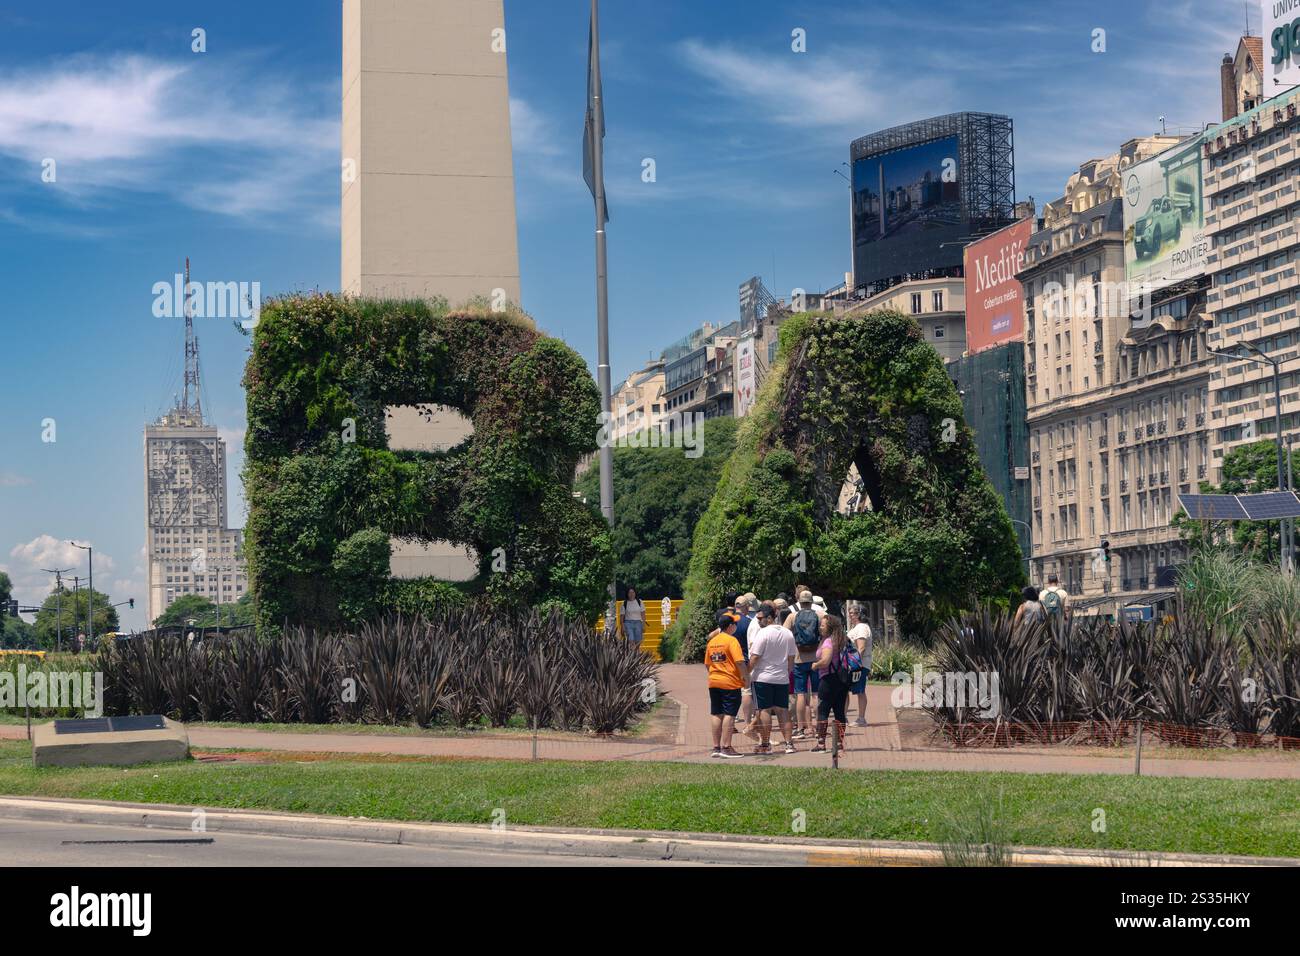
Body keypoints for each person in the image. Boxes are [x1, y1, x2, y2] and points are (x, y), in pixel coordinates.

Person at [746, 602, 798, 754]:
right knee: (783, 711)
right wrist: (786, 672)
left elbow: (755, 658)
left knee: (764, 711)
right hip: (781, 678)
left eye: (760, 618)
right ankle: (789, 744)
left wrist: (746, 673)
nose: (758, 621)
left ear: (769, 618)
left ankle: (765, 744)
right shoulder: (787, 633)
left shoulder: (763, 633)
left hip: (762, 678)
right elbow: (791, 658)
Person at [705, 612, 749, 758]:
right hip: (730, 682)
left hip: (714, 681)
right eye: (734, 624)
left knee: (716, 713)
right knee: (730, 714)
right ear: (730, 626)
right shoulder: (732, 641)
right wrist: (745, 677)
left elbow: (707, 664)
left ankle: (716, 747)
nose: (736, 626)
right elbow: (739, 661)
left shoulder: (712, 642)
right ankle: (726, 747)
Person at [812, 613, 857, 753]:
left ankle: (821, 744)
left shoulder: (828, 642)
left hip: (828, 679)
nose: (820, 627)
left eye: (823, 625)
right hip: (842, 679)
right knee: (839, 712)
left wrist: (815, 665)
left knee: (823, 711)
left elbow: (826, 661)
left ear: (830, 627)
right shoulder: (842, 640)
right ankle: (838, 743)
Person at [783, 589, 822, 739]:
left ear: (799, 601)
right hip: (816, 659)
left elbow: (785, 634)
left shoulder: (792, 616)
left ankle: (800, 728)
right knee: (816, 694)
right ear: (811, 601)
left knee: (800, 694)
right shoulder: (819, 615)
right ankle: (818, 725)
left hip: (799, 659)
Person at [846, 602, 873, 727]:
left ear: (860, 614)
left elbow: (860, 648)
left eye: (853, 613)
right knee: (846, 690)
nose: (850, 616)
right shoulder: (856, 628)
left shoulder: (862, 628)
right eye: (849, 613)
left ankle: (861, 719)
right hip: (854, 664)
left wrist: (854, 664)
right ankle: (843, 717)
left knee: (860, 691)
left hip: (859, 665)